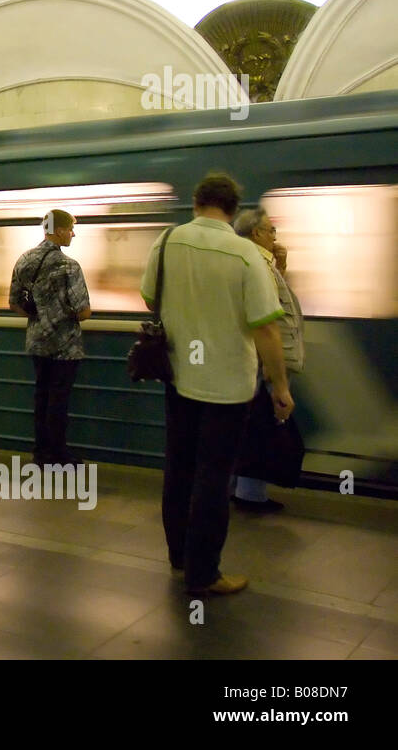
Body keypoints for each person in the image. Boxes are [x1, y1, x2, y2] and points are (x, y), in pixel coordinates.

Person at [141, 173, 293, 596]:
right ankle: (204, 572)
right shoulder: (245, 254)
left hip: (179, 376)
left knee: (179, 467)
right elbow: (266, 329)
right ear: (232, 208)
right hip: (228, 385)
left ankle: (178, 555)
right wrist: (279, 386)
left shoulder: (166, 242)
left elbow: (151, 298)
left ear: (195, 201)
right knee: (213, 475)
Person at [232, 206, 305, 512]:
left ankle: (245, 491)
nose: (276, 235)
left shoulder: (263, 263)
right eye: (271, 230)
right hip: (260, 361)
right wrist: (277, 378)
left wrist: (282, 266)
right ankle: (249, 495)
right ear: (257, 233)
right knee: (258, 426)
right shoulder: (256, 263)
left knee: (252, 426)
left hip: (257, 360)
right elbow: (267, 319)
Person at [8, 209, 92, 465]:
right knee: (58, 401)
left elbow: (14, 304)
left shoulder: (24, 260)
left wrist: (41, 316)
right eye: (70, 229)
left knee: (42, 397)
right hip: (65, 347)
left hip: (37, 342)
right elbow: (83, 312)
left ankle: (41, 453)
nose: (73, 234)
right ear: (59, 230)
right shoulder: (69, 265)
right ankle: (58, 455)